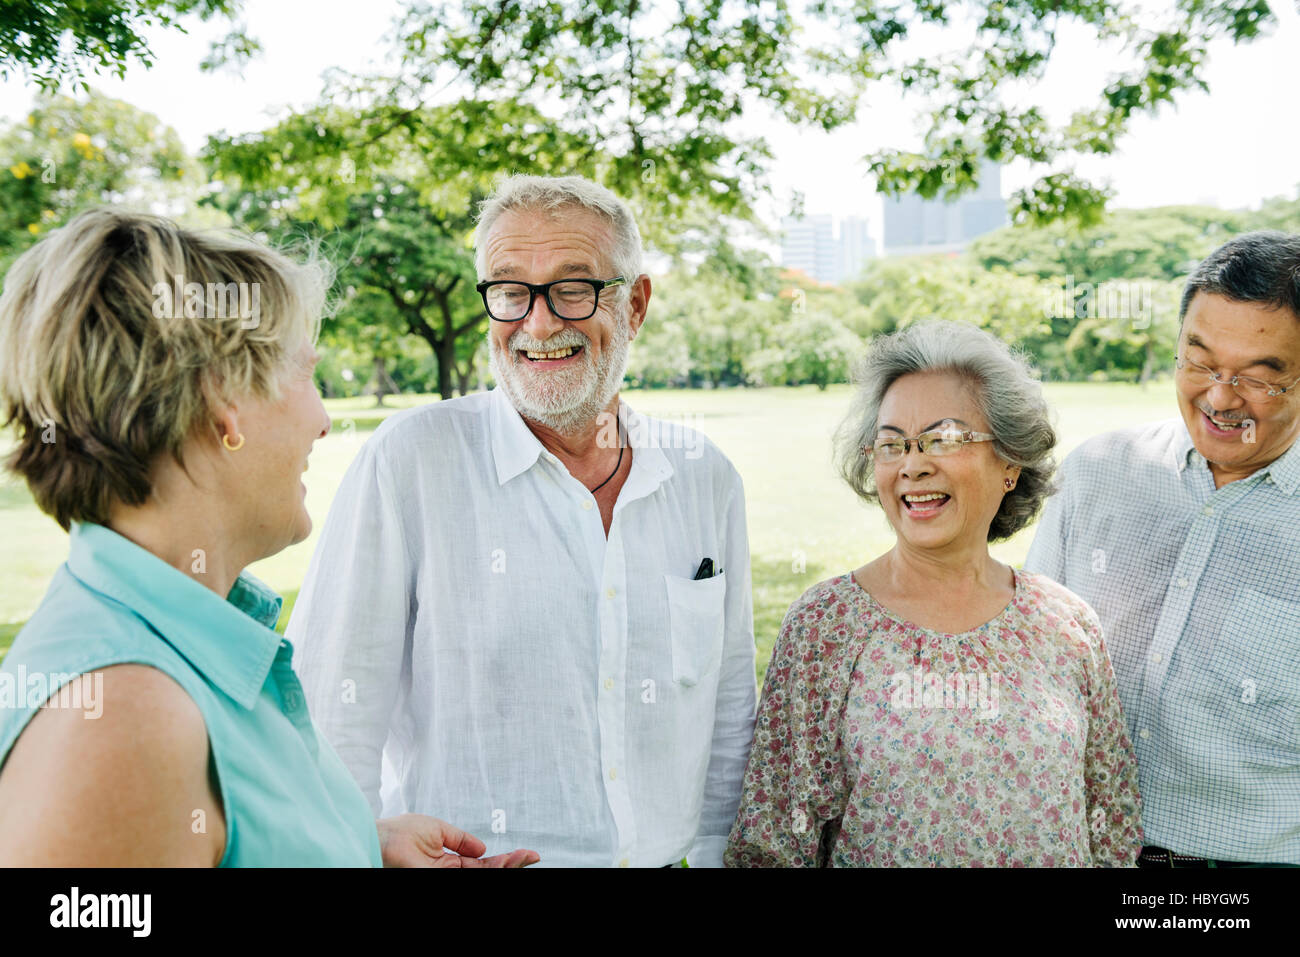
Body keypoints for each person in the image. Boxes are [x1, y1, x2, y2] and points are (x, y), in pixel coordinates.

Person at [0, 209, 536, 867]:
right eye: (306, 374)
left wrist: (357, 844)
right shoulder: (123, 716)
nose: (323, 421)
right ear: (223, 399)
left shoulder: (179, 639)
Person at [287, 174, 757, 868]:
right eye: (510, 290)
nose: (538, 323)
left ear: (635, 304)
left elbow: (728, 712)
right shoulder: (411, 462)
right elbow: (330, 716)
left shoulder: (704, 476)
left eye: (574, 288)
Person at [725, 319, 1142, 867]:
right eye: (893, 445)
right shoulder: (825, 626)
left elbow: (1110, 824)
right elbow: (772, 844)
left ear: (1010, 463)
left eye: (944, 439)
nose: (913, 465)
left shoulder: (1067, 623)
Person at [1025, 231, 1300, 868]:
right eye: (1199, 362)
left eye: (1258, 379)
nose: (1221, 397)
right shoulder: (1096, 473)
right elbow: (1031, 665)